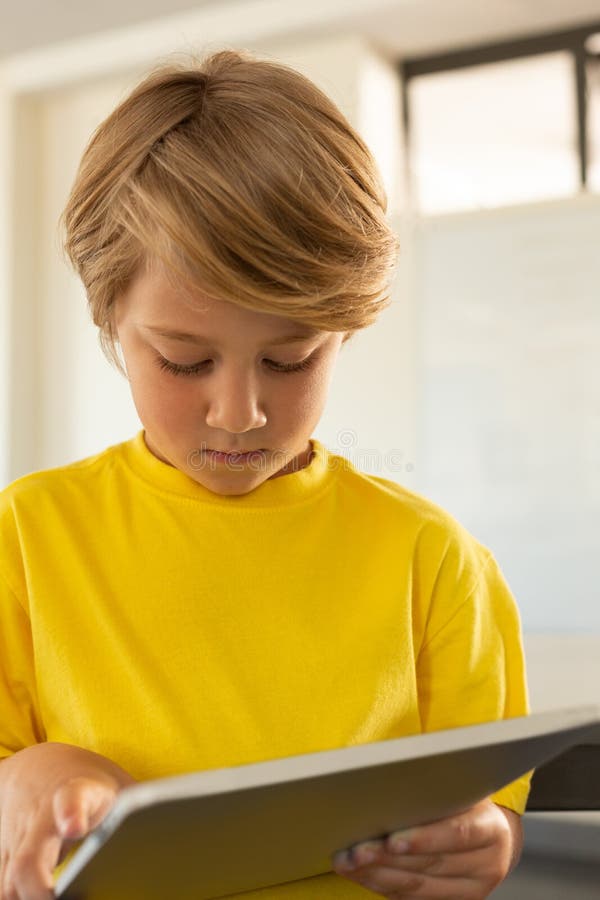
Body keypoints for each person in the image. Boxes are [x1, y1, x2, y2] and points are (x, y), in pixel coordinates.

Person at [0, 48, 531, 900]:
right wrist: (25, 779)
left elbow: (485, 807)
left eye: (290, 360)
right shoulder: (25, 539)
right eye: (183, 360)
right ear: (109, 317)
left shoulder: (432, 562)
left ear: (344, 333)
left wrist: (487, 841)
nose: (239, 413)